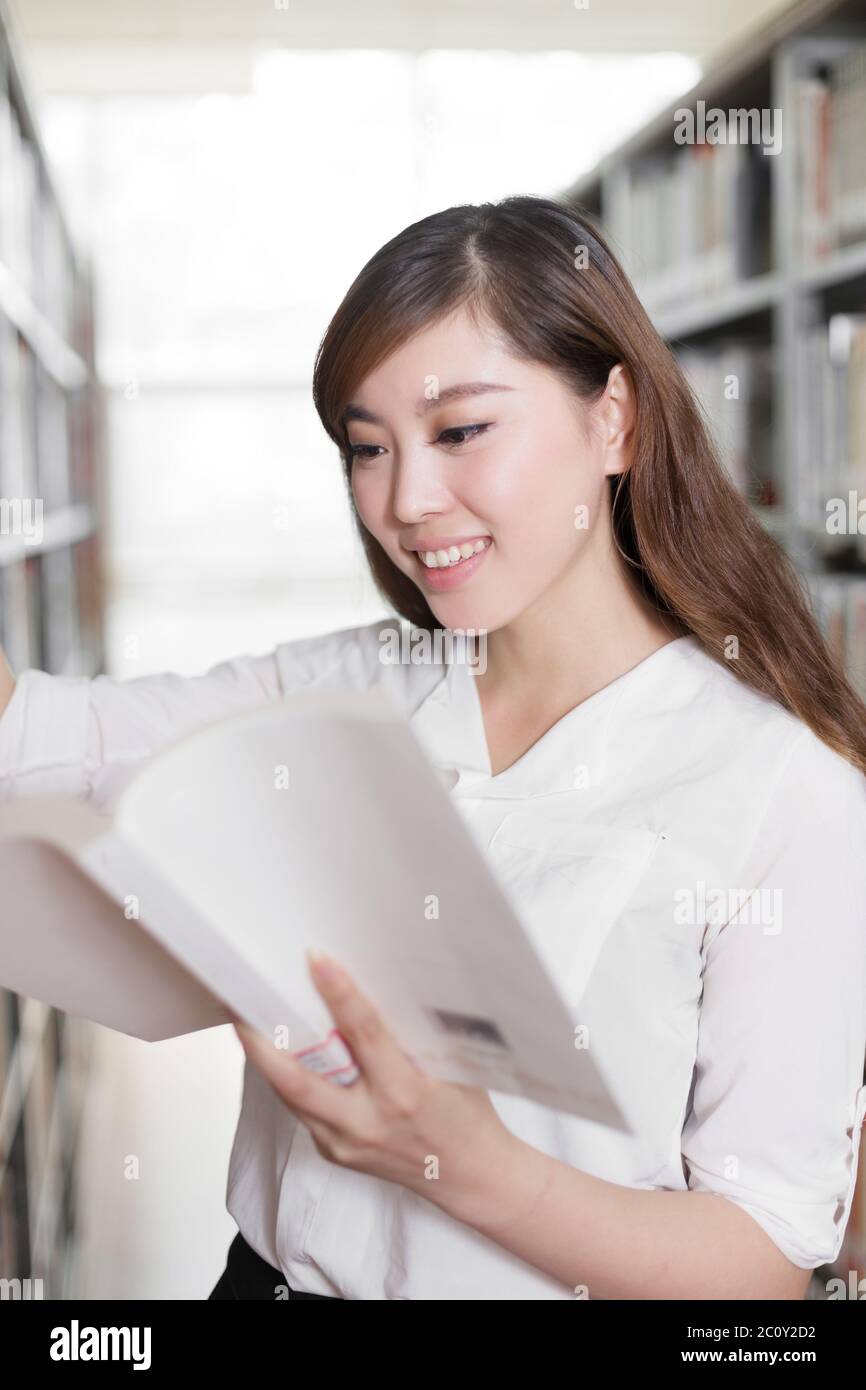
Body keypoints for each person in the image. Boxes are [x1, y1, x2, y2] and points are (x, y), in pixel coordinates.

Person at [2, 195, 865, 1301]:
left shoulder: (782, 785)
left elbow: (759, 1264)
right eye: (367, 449)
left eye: (460, 431)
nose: (405, 501)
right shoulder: (326, 688)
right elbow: (32, 739)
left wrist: (468, 1167)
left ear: (616, 420)